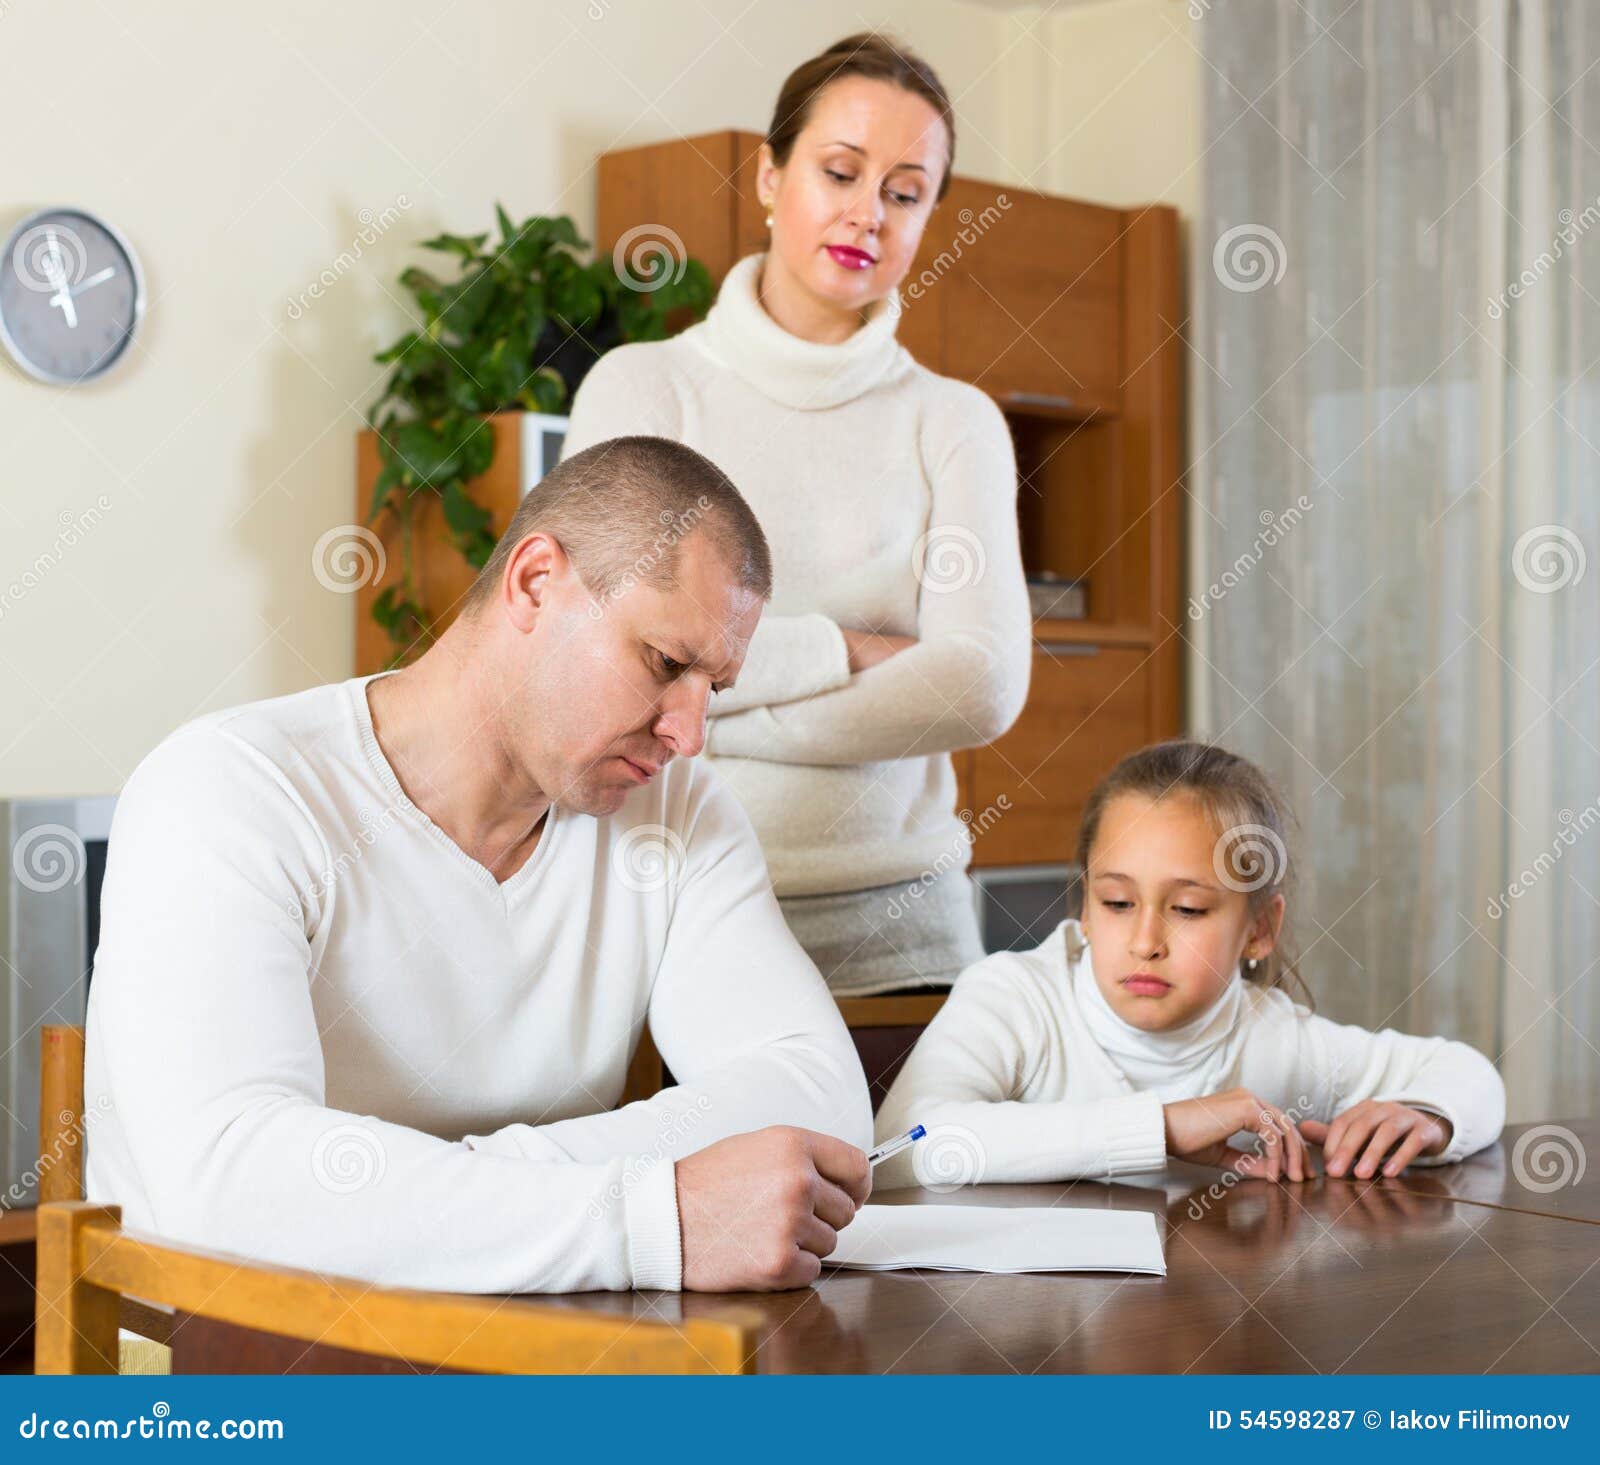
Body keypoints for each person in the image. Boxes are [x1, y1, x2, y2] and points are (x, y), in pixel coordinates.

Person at [84, 435, 872, 1294]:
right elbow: (230, 1189)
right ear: (535, 582)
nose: (690, 733)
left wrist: (451, 1193)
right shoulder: (230, 788)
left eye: (712, 687)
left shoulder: (679, 816)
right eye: (666, 662)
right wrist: (647, 1214)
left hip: (509, 1351)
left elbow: (818, 1102)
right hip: (208, 1381)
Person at [561, 31, 1031, 996]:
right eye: (841, 171)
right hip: (674, 926)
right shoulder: (646, 392)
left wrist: (704, 702)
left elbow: (980, 687)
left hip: (906, 937)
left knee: (916, 1153)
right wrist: (845, 649)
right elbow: (596, 652)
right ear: (772, 176)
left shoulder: (954, 422)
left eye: (904, 193)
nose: (868, 213)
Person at [873, 739, 1505, 1189]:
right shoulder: (1015, 999)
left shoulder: (1278, 1040)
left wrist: (1429, 1117)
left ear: (1259, 929)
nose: (1146, 939)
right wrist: (1164, 1129)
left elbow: (1469, 1075)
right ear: (1085, 909)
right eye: (1117, 902)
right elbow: (904, 1147)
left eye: (1189, 909)